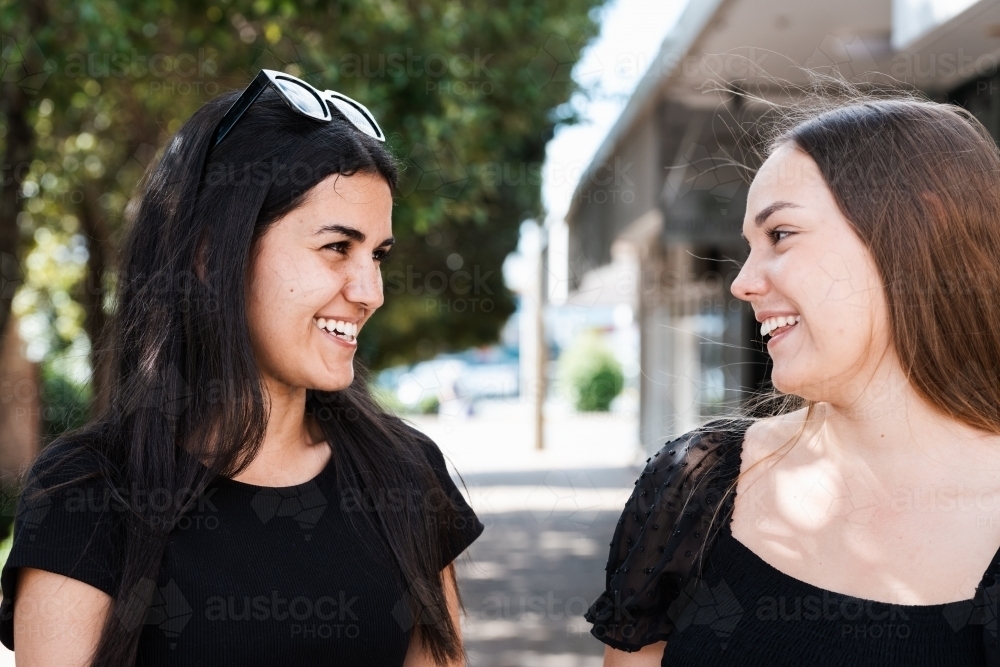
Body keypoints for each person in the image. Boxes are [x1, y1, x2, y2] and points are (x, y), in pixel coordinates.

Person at [0, 70, 483, 667]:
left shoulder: (405, 474)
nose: (370, 291)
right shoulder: (85, 496)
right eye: (337, 247)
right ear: (211, 255)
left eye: (377, 255)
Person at [586, 93, 1000, 665]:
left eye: (780, 234)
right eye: (748, 246)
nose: (743, 282)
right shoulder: (698, 485)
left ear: (924, 228)